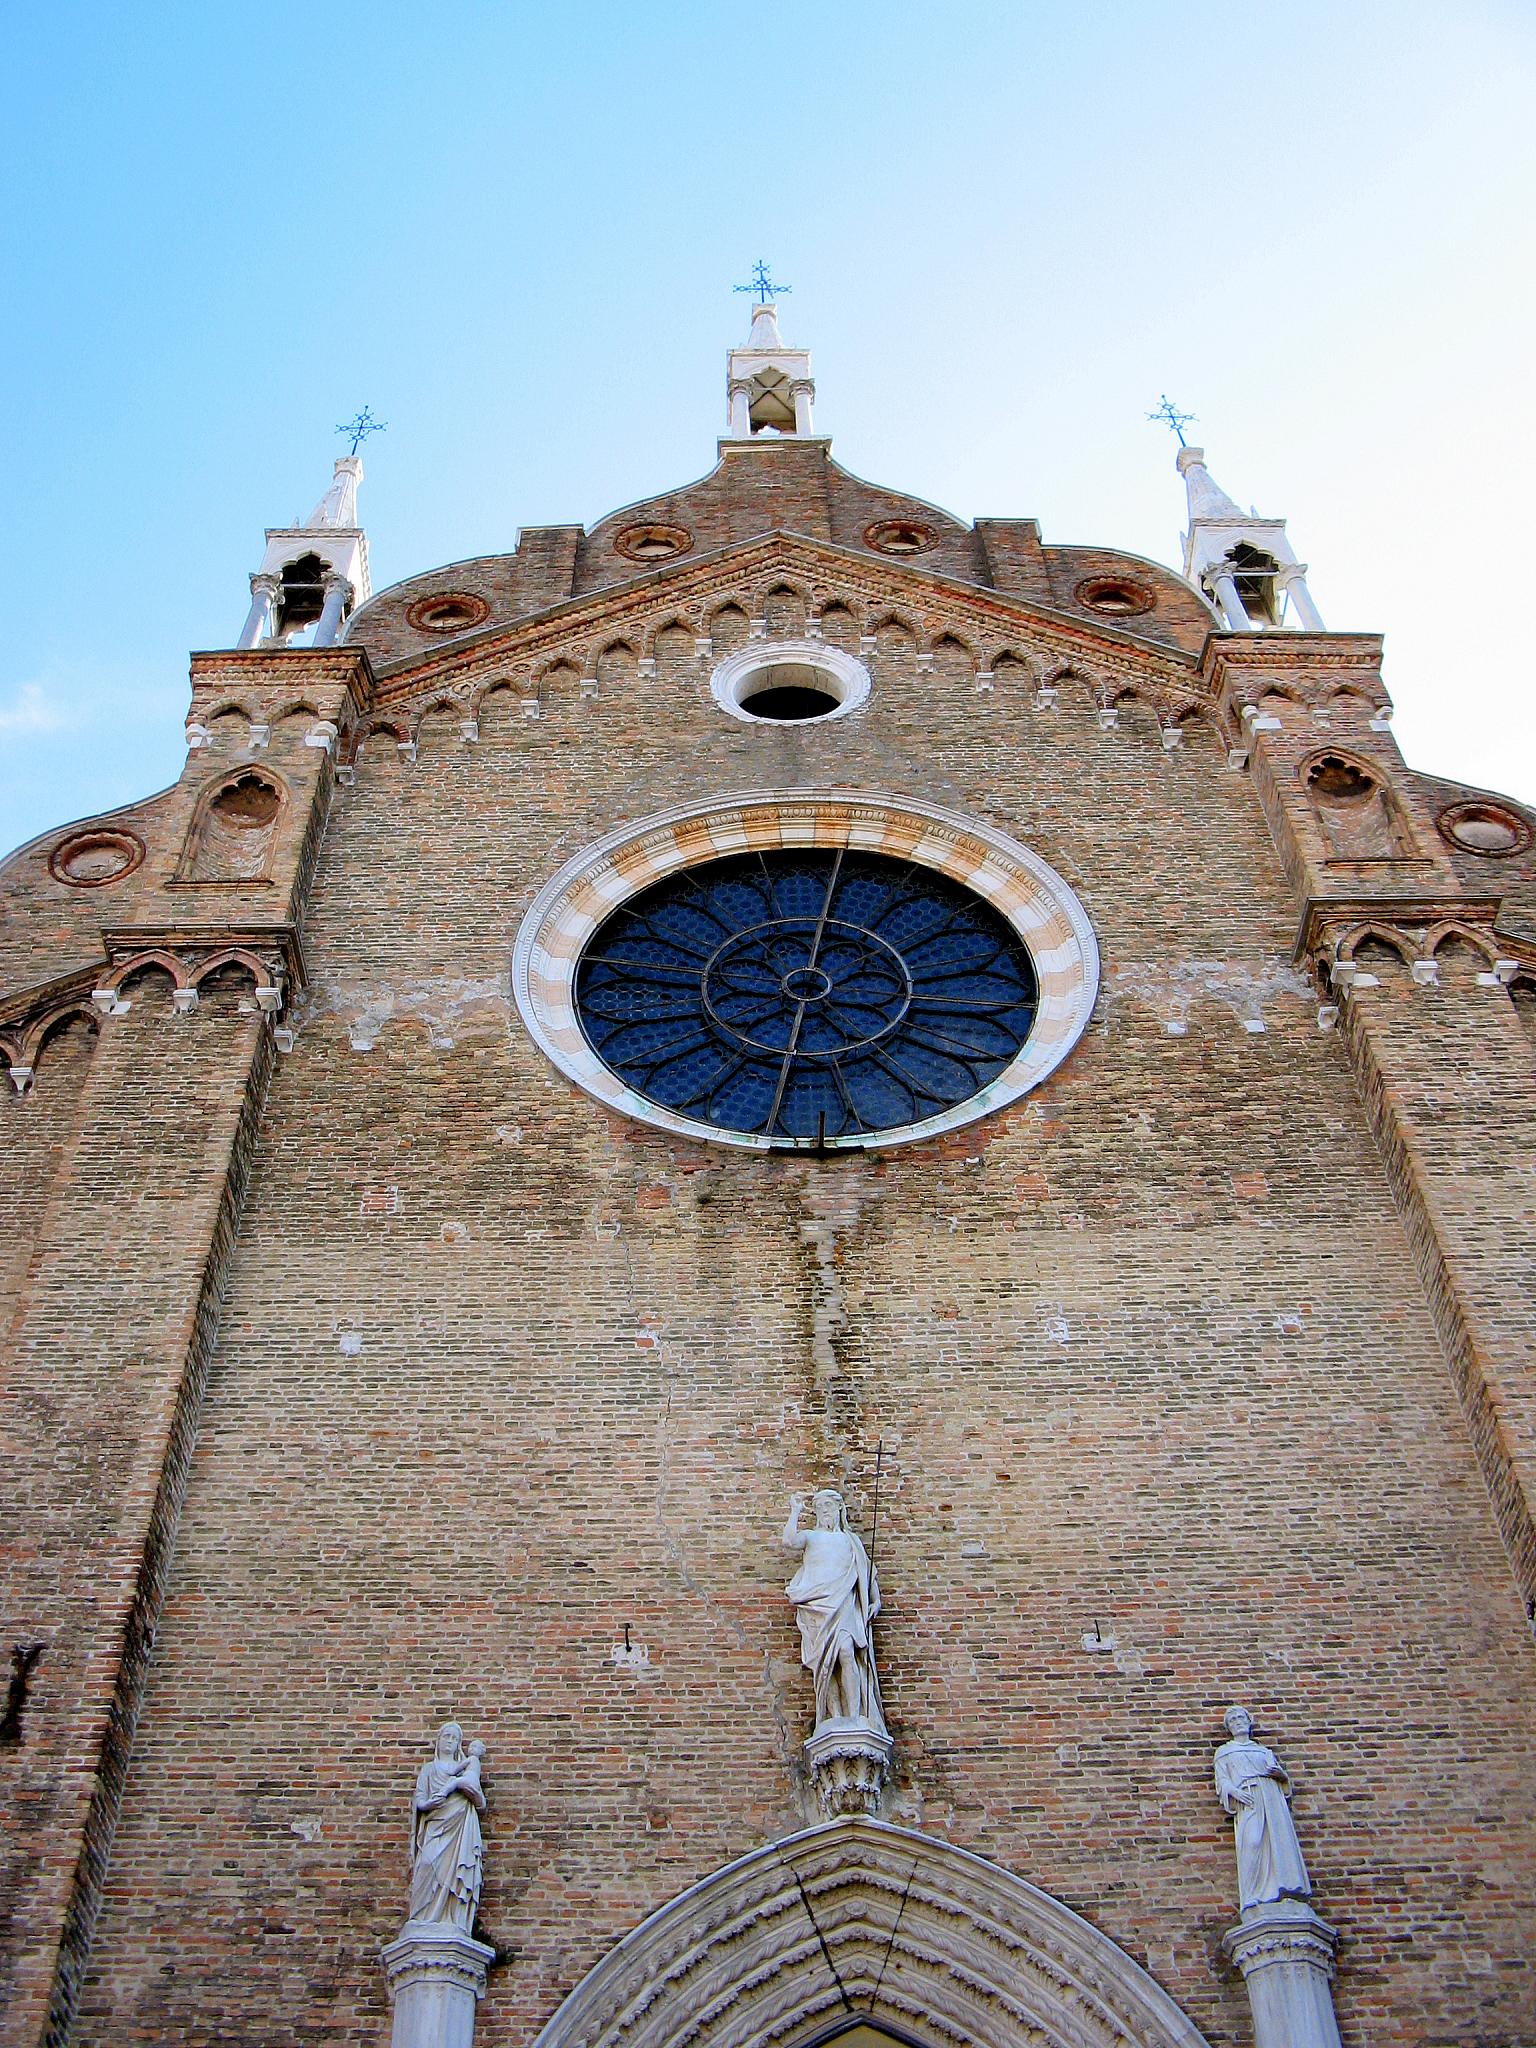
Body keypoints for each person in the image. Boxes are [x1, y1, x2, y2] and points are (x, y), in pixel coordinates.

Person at [783, 1488, 885, 1732]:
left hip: (844, 1603)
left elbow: (866, 1573)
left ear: (839, 1508)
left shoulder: (851, 1541)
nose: (824, 1511)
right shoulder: (811, 1537)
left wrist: (875, 1600)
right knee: (824, 1662)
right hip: (816, 1605)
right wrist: (795, 1511)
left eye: (828, 1505)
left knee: (846, 1652)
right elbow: (789, 1541)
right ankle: (834, 1716)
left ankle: (854, 1715)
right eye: (819, 1507)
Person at [1213, 1705, 1312, 1910]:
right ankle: (1254, 1894)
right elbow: (1222, 1781)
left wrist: (1281, 1776)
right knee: (1252, 1842)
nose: (1238, 1722)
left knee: (1278, 1840)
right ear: (1228, 1727)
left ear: (1249, 1722)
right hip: (1248, 1798)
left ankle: (1286, 1888)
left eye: (1241, 1718)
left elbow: (1282, 1780)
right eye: (1233, 1720)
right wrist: (1234, 1792)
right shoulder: (1224, 1752)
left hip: (1272, 1797)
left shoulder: (1263, 1751)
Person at [408, 1723, 486, 1929]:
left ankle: (454, 1919)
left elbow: (480, 1801)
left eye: (454, 1738)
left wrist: (458, 1785)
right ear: (439, 1740)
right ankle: (422, 1918)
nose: (449, 1741)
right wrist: (429, 1804)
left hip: (460, 1826)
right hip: (434, 1825)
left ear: (458, 1743)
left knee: (457, 1868)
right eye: (446, 1736)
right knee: (426, 1864)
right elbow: (420, 1800)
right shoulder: (429, 1769)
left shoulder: (466, 1768)